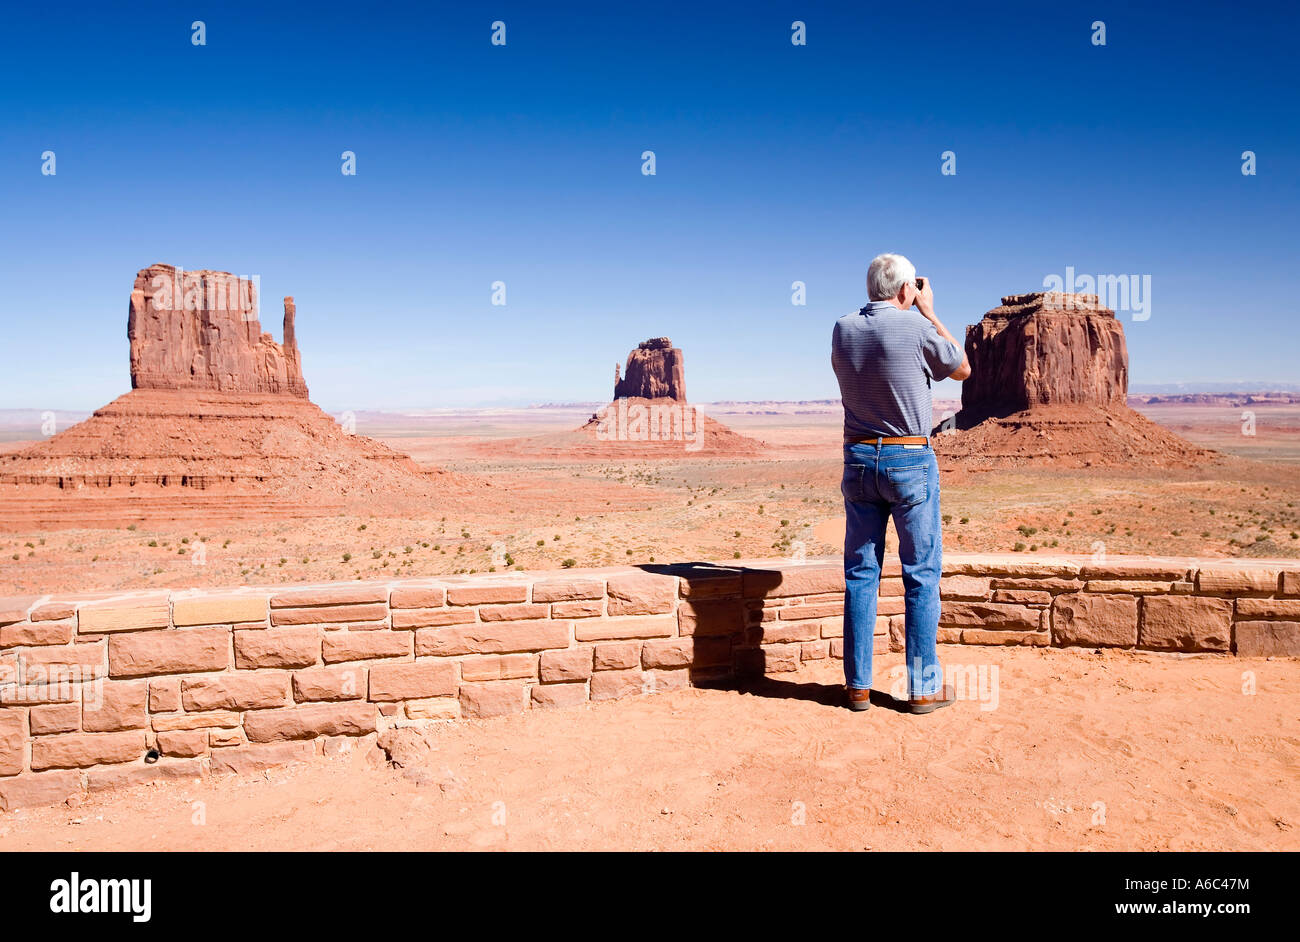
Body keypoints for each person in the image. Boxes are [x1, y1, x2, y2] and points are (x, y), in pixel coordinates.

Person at [830, 253, 971, 714]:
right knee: (921, 574)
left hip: (858, 459)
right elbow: (963, 369)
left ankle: (857, 687)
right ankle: (924, 689)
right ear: (906, 289)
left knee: (860, 575)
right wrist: (929, 311)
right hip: (909, 458)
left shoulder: (843, 328)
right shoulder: (917, 328)